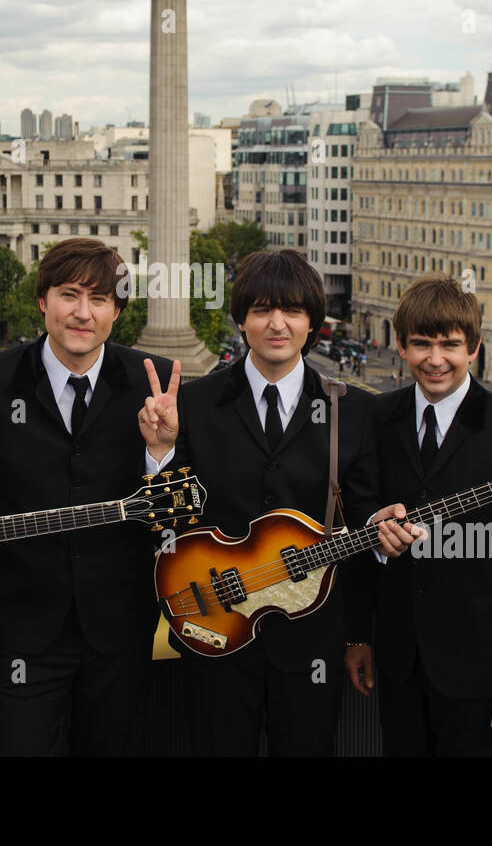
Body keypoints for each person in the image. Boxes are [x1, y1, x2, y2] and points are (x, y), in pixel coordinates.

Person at [143, 249, 402, 755]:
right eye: (262, 310)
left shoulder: (354, 410)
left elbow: (362, 507)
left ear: (314, 324)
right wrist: (159, 453)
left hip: (312, 639)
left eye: (292, 311)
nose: (277, 324)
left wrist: (379, 533)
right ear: (241, 321)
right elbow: (166, 521)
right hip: (215, 629)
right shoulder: (193, 405)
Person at [0, 237, 174, 756]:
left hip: (119, 629)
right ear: (42, 299)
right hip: (18, 630)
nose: (82, 313)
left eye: (99, 300)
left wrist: (160, 452)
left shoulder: (152, 382)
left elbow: (174, 515)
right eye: (70, 294)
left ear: (117, 312)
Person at [344, 272, 492, 756]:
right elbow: (358, 513)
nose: (435, 359)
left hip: (481, 673)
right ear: (400, 346)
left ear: (475, 347)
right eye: (421, 344)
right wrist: (357, 635)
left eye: (450, 345)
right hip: (397, 666)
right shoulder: (376, 419)